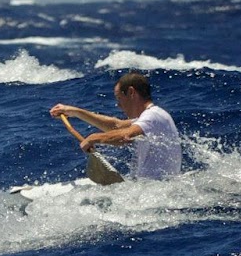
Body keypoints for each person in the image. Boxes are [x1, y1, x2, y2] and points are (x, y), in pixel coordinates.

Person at [50, 72, 182, 180]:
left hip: (155, 193)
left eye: (119, 98)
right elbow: (117, 126)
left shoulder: (153, 116)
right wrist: (75, 112)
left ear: (131, 92)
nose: (118, 105)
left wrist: (93, 138)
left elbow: (124, 135)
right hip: (151, 189)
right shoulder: (151, 116)